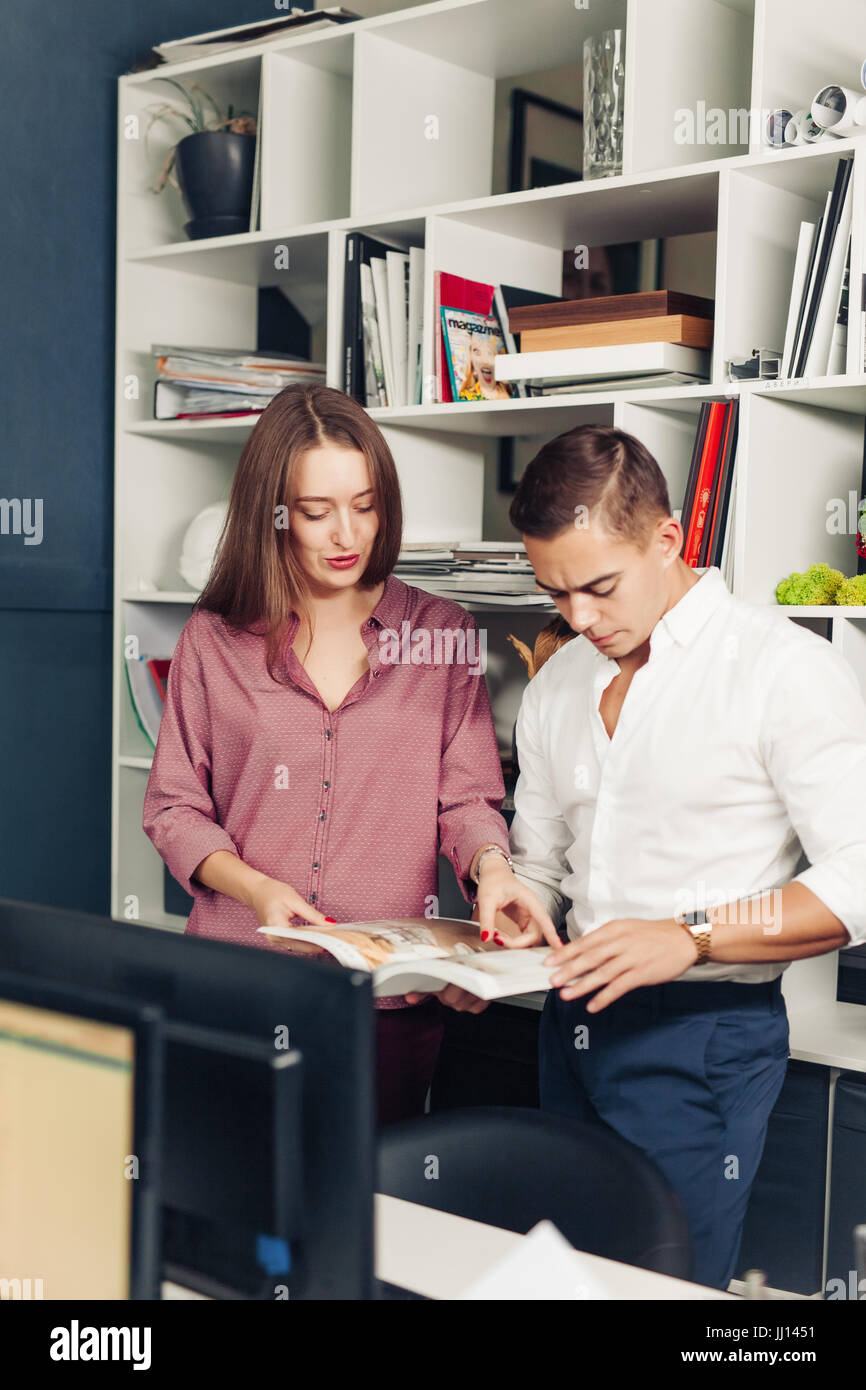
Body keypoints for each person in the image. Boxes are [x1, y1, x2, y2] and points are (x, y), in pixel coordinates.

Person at [487, 422, 866, 1290]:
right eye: (556, 594)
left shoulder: (783, 672)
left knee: (669, 1288)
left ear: (669, 539)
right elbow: (544, 863)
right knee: (571, 1284)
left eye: (599, 587)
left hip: (703, 1039)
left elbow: (857, 885)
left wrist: (686, 935)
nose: (580, 619)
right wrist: (517, 895)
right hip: (567, 1023)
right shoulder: (556, 685)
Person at [142, 383, 553, 1124]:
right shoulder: (215, 636)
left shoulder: (439, 633)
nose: (346, 535)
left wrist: (492, 870)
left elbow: (466, 800)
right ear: (274, 512)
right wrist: (257, 890)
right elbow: (174, 808)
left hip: (388, 1003)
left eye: (365, 506)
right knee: (232, 1203)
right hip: (238, 984)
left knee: (373, 1215)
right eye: (316, 511)